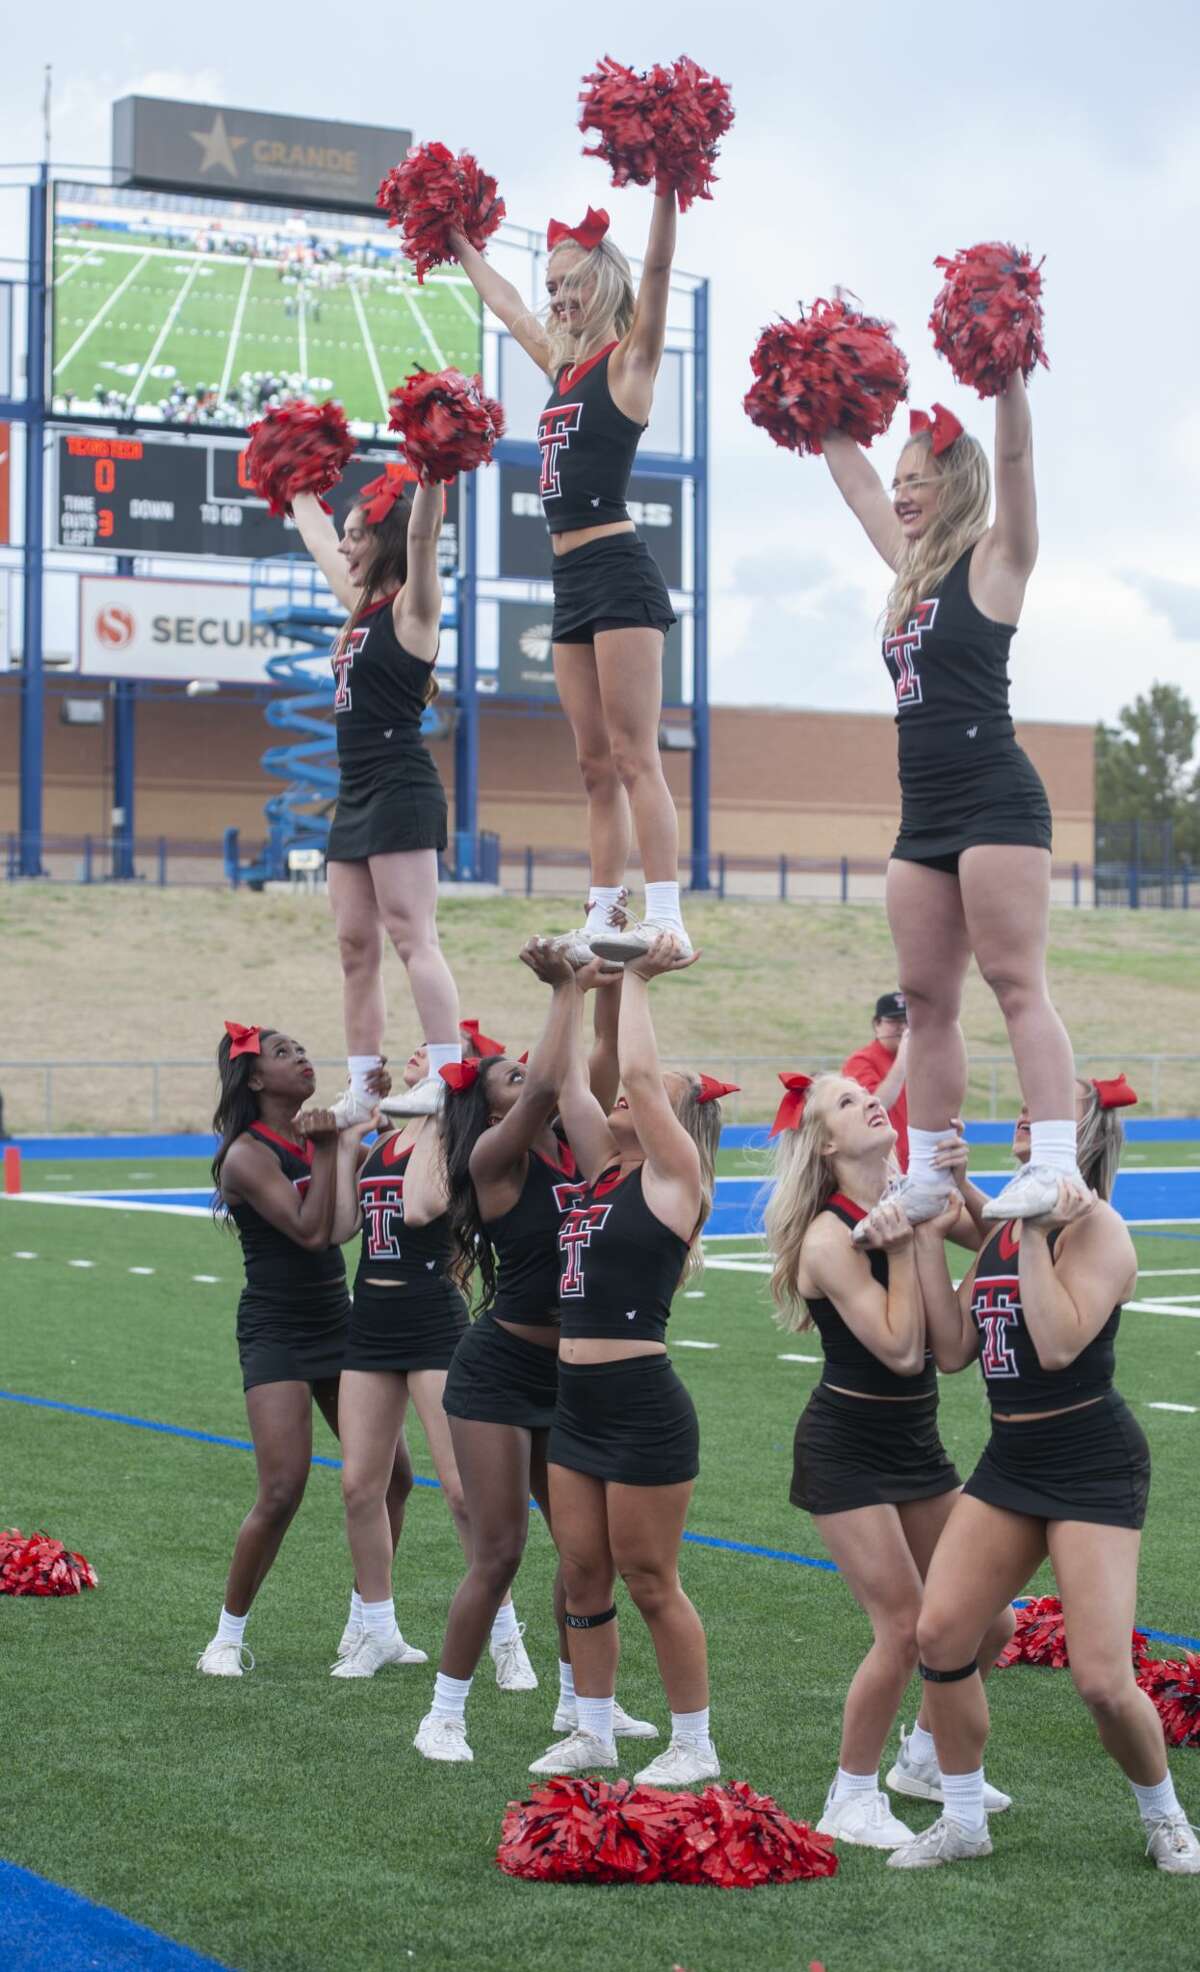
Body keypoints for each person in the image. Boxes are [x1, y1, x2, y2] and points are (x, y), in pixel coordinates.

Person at [891, 1076, 1200, 1874]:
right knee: (941, 1633)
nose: (1029, 1112)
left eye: (1051, 1105)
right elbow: (957, 1350)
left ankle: (1164, 1816)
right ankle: (963, 1818)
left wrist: (1027, 1228)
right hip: (1011, 1459)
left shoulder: (1100, 1230)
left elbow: (1059, 1344)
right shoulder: (1001, 1223)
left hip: (1092, 1460)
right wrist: (930, 1229)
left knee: (1101, 1680)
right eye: (1029, 1103)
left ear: (1082, 1132)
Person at [821, 382, 1081, 1229]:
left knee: (1014, 982)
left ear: (955, 484)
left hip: (995, 799)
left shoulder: (997, 561)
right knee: (925, 1002)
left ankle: (1052, 1162)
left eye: (916, 480)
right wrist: (818, 410)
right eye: (899, 479)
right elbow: (856, 487)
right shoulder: (912, 571)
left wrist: (1007, 383)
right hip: (922, 813)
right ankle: (928, 1170)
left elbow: (1014, 459)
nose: (898, 493)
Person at [413, 944, 654, 1762]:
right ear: (488, 1114)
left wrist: (615, 984)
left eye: (524, 1074)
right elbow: (554, 1080)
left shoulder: (578, 1151)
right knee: (501, 1549)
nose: (527, 1079)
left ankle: (578, 1701)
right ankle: (444, 1714)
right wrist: (562, 991)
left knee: (592, 1552)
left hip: (572, 1375)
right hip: (498, 1373)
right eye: (507, 1082)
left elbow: (594, 1070)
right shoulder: (493, 1161)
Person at [763, 1071, 1013, 1846]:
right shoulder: (831, 1237)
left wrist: (962, 1185)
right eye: (845, 1101)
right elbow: (906, 1350)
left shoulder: (908, 1189)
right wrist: (908, 1240)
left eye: (865, 1092)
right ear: (828, 1143)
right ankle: (850, 1794)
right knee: (904, 1629)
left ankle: (927, 1759)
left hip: (914, 1444)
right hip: (847, 1448)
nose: (869, 1098)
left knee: (991, 1623)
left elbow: (997, 1238)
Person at [447, 194, 688, 962]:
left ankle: (668, 913)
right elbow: (509, 306)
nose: (557, 297)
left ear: (605, 283)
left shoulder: (629, 362)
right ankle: (603, 913)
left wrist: (664, 187)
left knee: (632, 754)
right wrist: (456, 239)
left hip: (619, 570)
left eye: (571, 282)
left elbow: (657, 268)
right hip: (570, 579)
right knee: (592, 766)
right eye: (552, 284)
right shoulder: (562, 362)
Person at [527, 932, 727, 1787]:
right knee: (580, 1571)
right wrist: (570, 987)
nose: (631, 1096)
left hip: (642, 1401)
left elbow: (639, 1079)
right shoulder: (604, 1171)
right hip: (575, 1401)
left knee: (650, 1577)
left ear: (675, 1118)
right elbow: (562, 1081)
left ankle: (693, 1741)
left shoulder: (675, 1177)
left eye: (656, 1094)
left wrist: (639, 978)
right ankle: (596, 1731)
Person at [196, 1022, 409, 1676]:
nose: (303, 1058)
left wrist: (379, 1115)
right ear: (256, 1079)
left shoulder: (316, 1134)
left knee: (395, 1476)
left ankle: (366, 1623)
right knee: (283, 1487)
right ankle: (226, 1638)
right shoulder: (246, 1155)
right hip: (277, 1329)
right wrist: (336, 1145)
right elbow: (315, 1233)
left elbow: (361, 1189)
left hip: (339, 1322)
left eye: (302, 1050)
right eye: (285, 1054)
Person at [330, 1035, 536, 1690]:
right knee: (359, 1485)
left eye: (431, 1055)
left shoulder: (455, 1143)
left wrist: (441, 1115)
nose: (413, 1057)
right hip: (370, 1322)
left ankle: (508, 1639)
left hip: (431, 1322)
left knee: (459, 1492)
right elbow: (341, 1231)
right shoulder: (383, 1142)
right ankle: (378, 1628)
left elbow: (421, 1208)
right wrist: (340, 1143)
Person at [290, 470, 461, 1127]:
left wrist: (434, 470)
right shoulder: (357, 604)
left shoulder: (411, 610)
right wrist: (292, 475)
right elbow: (315, 539)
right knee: (354, 946)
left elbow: (424, 530)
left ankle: (447, 1072)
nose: (347, 546)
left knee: (411, 935)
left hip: (399, 782)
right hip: (355, 790)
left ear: (385, 539)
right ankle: (364, 1086)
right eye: (347, 534)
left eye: (359, 536)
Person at [842, 992, 909, 1171]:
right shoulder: (861, 1061)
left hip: (917, 1164)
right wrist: (903, 1058)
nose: (903, 1027)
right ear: (877, 1024)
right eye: (894, 1021)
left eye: (907, 1020)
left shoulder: (922, 1060)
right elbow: (877, 1105)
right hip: (882, 1168)